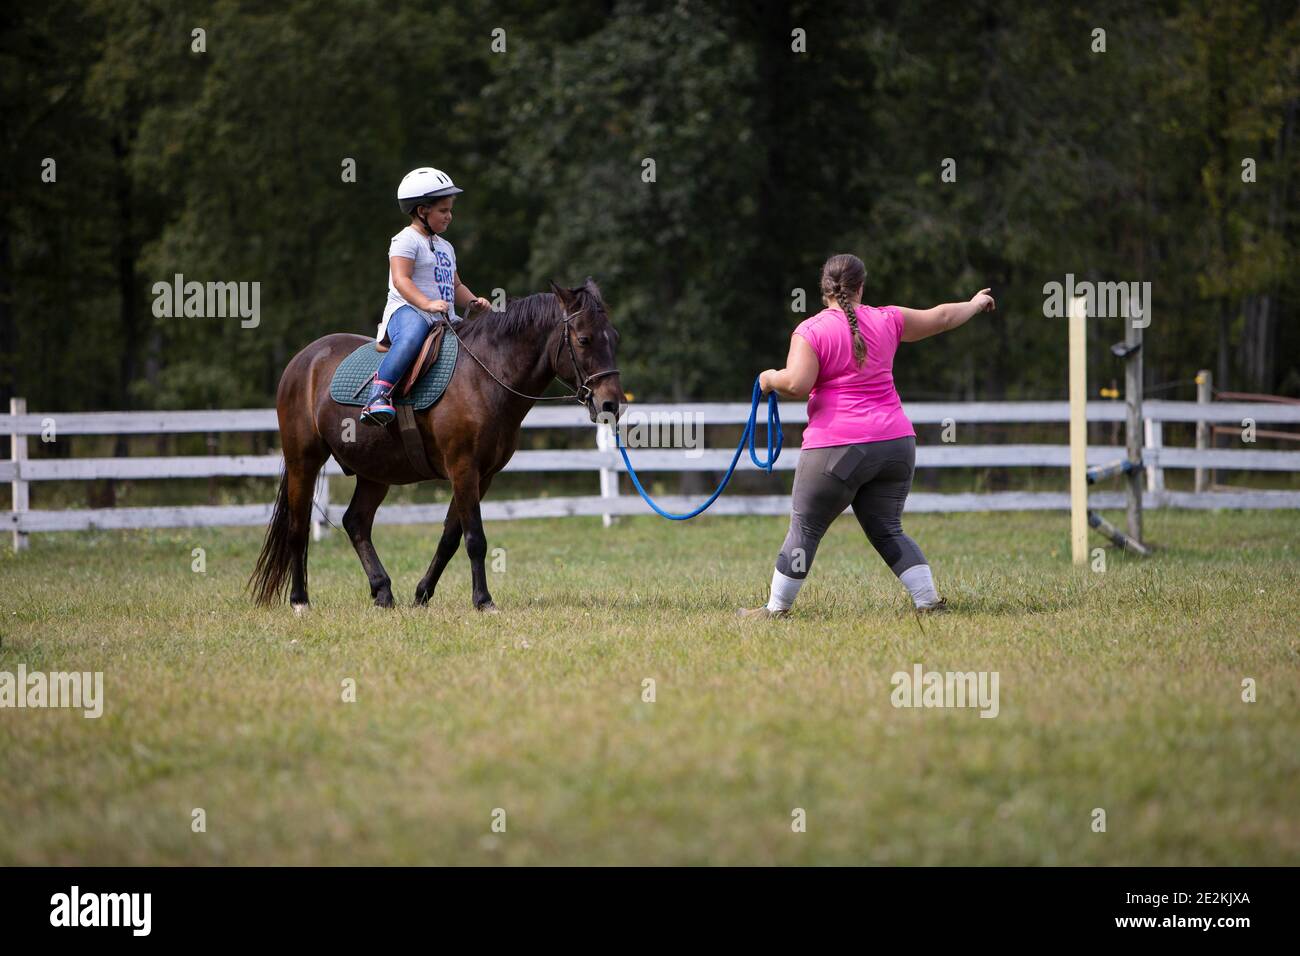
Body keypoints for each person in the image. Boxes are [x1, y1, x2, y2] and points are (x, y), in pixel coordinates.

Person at [738, 253, 996, 618]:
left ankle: (776, 609)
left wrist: (768, 378)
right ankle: (928, 602)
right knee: (888, 528)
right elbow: (940, 318)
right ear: (861, 287)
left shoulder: (811, 331)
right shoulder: (888, 319)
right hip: (896, 446)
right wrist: (974, 303)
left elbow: (796, 383)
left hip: (838, 447)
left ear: (824, 288)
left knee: (806, 527)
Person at [360, 166, 492, 426]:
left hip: (444, 317)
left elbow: (455, 286)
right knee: (412, 337)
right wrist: (427, 304)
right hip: (409, 312)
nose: (449, 216)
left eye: (450, 209)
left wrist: (473, 301)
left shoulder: (446, 247)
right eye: (443, 210)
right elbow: (401, 280)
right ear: (422, 211)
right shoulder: (405, 240)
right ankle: (379, 394)